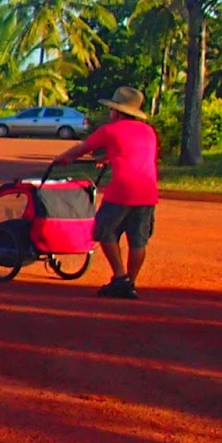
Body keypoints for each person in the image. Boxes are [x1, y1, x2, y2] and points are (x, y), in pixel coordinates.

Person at [51, 86, 159, 299]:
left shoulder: (110, 130)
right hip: (148, 190)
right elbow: (137, 154)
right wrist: (109, 159)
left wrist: (62, 158)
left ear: (117, 112)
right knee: (138, 240)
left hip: (123, 189)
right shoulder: (148, 131)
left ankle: (120, 277)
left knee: (102, 230)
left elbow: (83, 148)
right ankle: (130, 282)